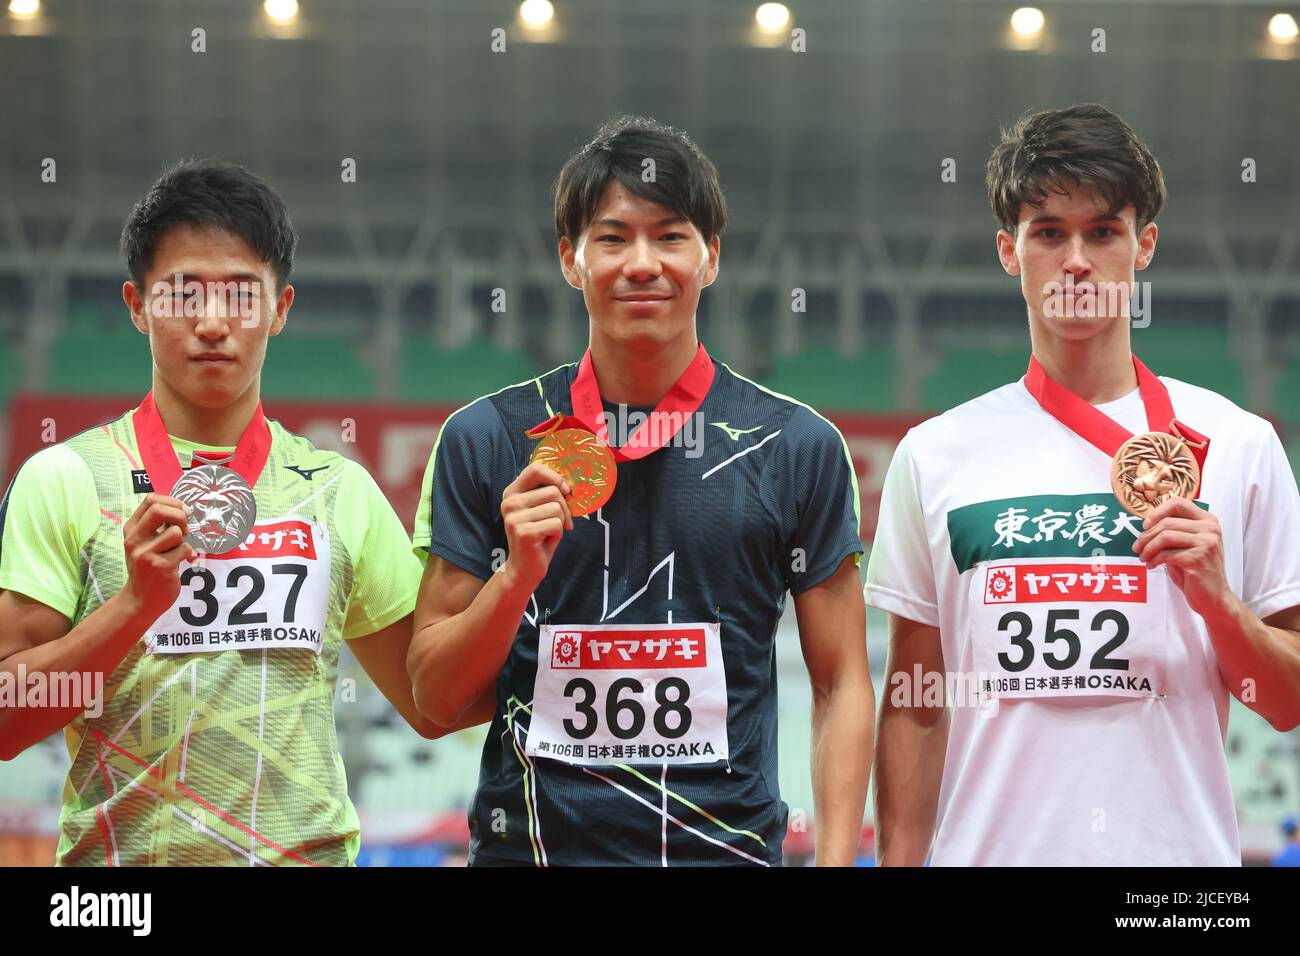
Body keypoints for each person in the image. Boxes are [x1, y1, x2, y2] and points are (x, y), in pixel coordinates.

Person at [408, 115, 873, 866]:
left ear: (712, 257)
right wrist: (517, 572)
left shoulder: (797, 446)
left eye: (671, 236)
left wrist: (836, 862)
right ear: (570, 259)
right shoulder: (486, 438)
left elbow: (842, 680)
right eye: (613, 238)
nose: (642, 263)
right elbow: (433, 697)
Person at [0, 159, 484, 866]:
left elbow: (435, 703)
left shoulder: (338, 491)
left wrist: (524, 577)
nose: (213, 322)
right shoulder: (64, 478)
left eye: (240, 294)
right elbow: (9, 724)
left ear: (281, 309)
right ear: (137, 306)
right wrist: (132, 606)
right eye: (182, 293)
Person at [865, 103, 1300, 866]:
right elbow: (917, 707)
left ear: (1144, 246)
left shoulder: (1239, 445)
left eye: (1102, 232)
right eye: (1048, 232)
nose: (1076, 260)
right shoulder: (933, 455)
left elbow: (1288, 704)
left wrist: (1222, 606)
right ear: (1010, 251)